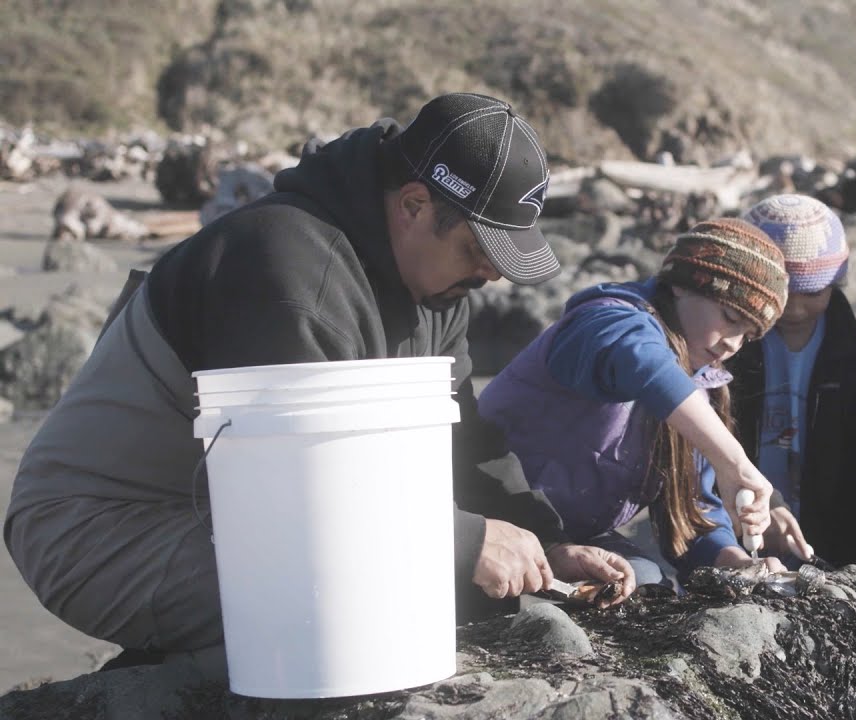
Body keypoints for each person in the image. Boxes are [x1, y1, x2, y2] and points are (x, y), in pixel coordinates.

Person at [4, 93, 635, 671]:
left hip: (229, 508)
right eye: (479, 250)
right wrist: (466, 539)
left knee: (428, 589)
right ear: (415, 205)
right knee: (361, 607)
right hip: (97, 527)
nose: (491, 275)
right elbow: (306, 492)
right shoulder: (289, 274)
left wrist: (546, 543)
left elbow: (462, 436)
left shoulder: (438, 288)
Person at [477, 218, 789, 586]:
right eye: (731, 317)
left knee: (644, 581)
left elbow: (693, 510)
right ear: (680, 287)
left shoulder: (701, 387)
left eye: (748, 335)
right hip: (488, 514)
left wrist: (732, 559)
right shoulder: (605, 320)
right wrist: (732, 461)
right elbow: (641, 360)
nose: (734, 344)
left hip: (577, 539)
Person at [727, 194, 856, 570]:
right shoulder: (727, 351)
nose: (796, 308)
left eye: (813, 293)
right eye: (782, 294)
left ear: (837, 281)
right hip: (740, 543)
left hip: (837, 551)